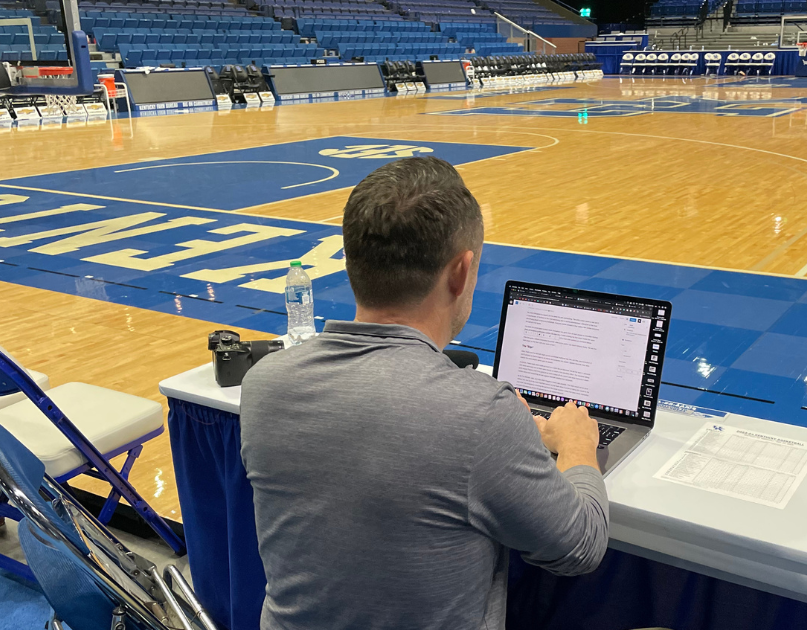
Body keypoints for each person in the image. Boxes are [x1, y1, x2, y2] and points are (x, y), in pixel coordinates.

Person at [239, 156, 609, 630]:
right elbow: (580, 547)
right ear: (461, 272)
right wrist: (577, 447)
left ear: (352, 262)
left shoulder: (266, 382)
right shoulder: (480, 415)